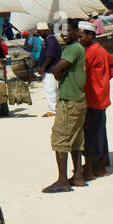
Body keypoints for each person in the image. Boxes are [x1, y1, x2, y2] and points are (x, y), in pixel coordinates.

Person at [42, 20, 88, 193]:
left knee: (60, 139)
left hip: (69, 100)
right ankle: (78, 176)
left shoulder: (72, 49)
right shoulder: (75, 48)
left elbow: (56, 69)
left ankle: (62, 181)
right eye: (61, 31)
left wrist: (57, 71)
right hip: (78, 99)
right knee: (75, 139)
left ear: (75, 31)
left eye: (67, 30)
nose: (64, 34)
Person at [79, 21, 113, 180]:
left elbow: (81, 71)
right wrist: (104, 78)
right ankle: (102, 163)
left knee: (92, 133)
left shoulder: (90, 52)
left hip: (92, 97)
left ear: (90, 35)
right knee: (100, 131)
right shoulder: (101, 49)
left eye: (81, 37)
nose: (79, 40)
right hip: (102, 96)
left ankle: (95, 167)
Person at [36, 22, 62, 116]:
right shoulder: (48, 39)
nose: (39, 34)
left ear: (44, 31)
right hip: (49, 69)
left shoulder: (50, 40)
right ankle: (56, 107)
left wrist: (43, 67)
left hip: (50, 69)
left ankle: (53, 110)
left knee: (50, 89)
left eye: (39, 32)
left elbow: (50, 55)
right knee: (53, 90)